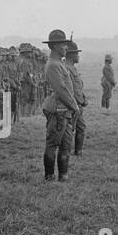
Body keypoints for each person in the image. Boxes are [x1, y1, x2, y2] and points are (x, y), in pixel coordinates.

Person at [41, 28, 79, 182]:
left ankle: (63, 176)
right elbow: (62, 90)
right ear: (55, 46)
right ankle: (49, 177)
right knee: (52, 144)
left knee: (65, 145)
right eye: (63, 45)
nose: (66, 48)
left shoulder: (58, 63)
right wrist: (75, 106)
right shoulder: (53, 65)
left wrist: (72, 105)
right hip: (58, 109)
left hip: (65, 110)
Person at [65, 40, 88, 158]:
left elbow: (78, 87)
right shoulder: (67, 69)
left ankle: (78, 152)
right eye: (77, 54)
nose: (78, 56)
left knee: (81, 127)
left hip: (78, 104)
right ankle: (66, 152)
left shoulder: (72, 68)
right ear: (71, 55)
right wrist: (80, 101)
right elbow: (71, 89)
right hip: (72, 105)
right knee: (69, 129)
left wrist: (83, 98)